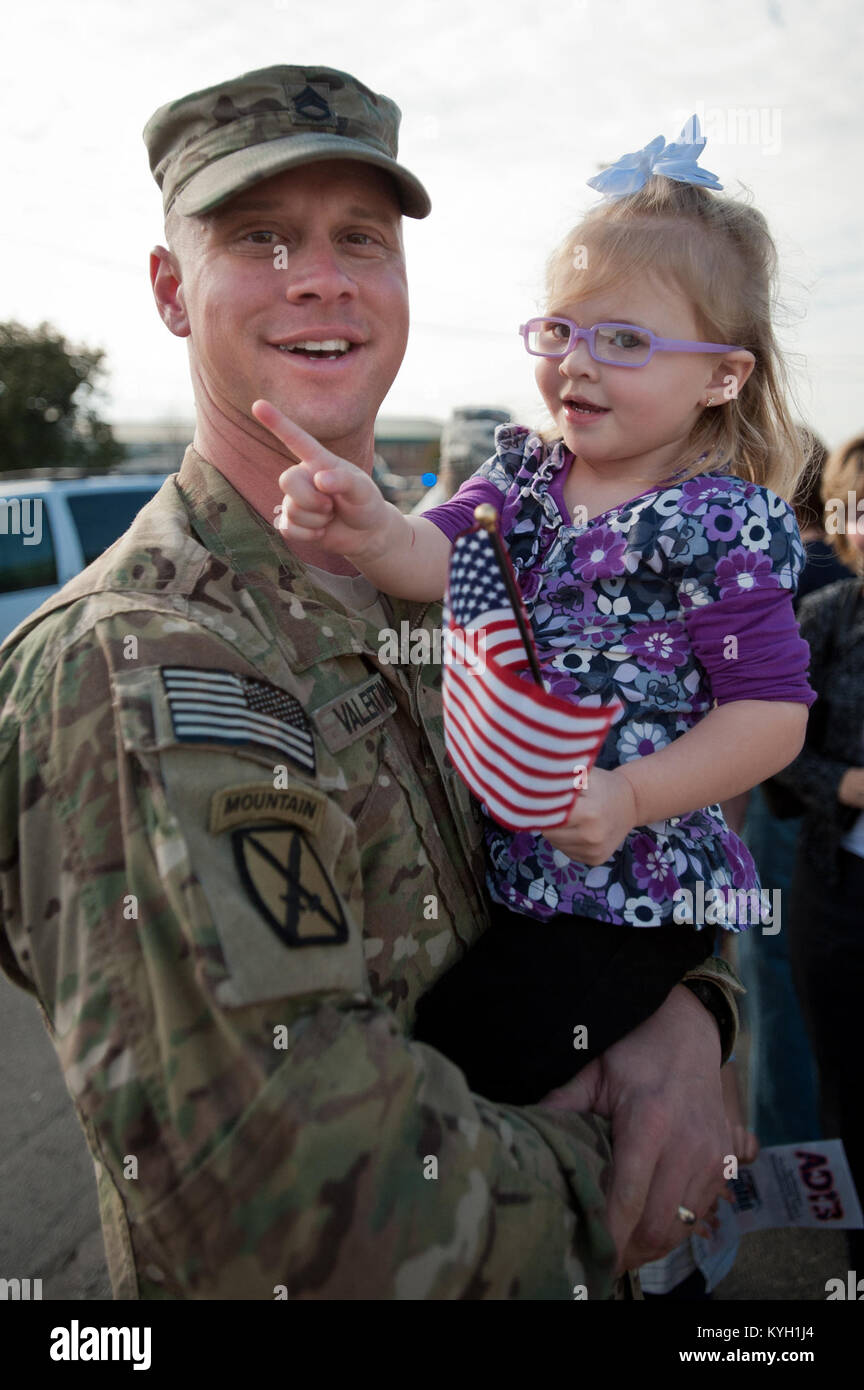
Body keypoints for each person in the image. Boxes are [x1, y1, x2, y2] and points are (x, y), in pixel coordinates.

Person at [0, 67, 741, 1301]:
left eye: (361, 238)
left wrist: (691, 1013)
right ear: (173, 291)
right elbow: (282, 1210)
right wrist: (626, 1166)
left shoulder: (476, 581)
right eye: (259, 238)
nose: (321, 277)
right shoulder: (130, 661)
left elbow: (656, 830)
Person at [269, 116, 814, 1111]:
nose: (578, 362)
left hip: (638, 887)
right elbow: (427, 557)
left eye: (625, 340)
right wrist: (362, 519)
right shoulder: (522, 477)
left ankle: (638, 1249)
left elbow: (773, 715)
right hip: (520, 867)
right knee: (523, 1065)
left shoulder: (717, 525)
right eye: (561, 330)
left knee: (471, 1066)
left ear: (722, 377)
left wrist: (634, 796)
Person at [769, 432, 864, 1272]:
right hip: (837, 893)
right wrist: (845, 785)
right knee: (844, 1086)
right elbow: (775, 744)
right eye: (851, 509)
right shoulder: (827, 616)